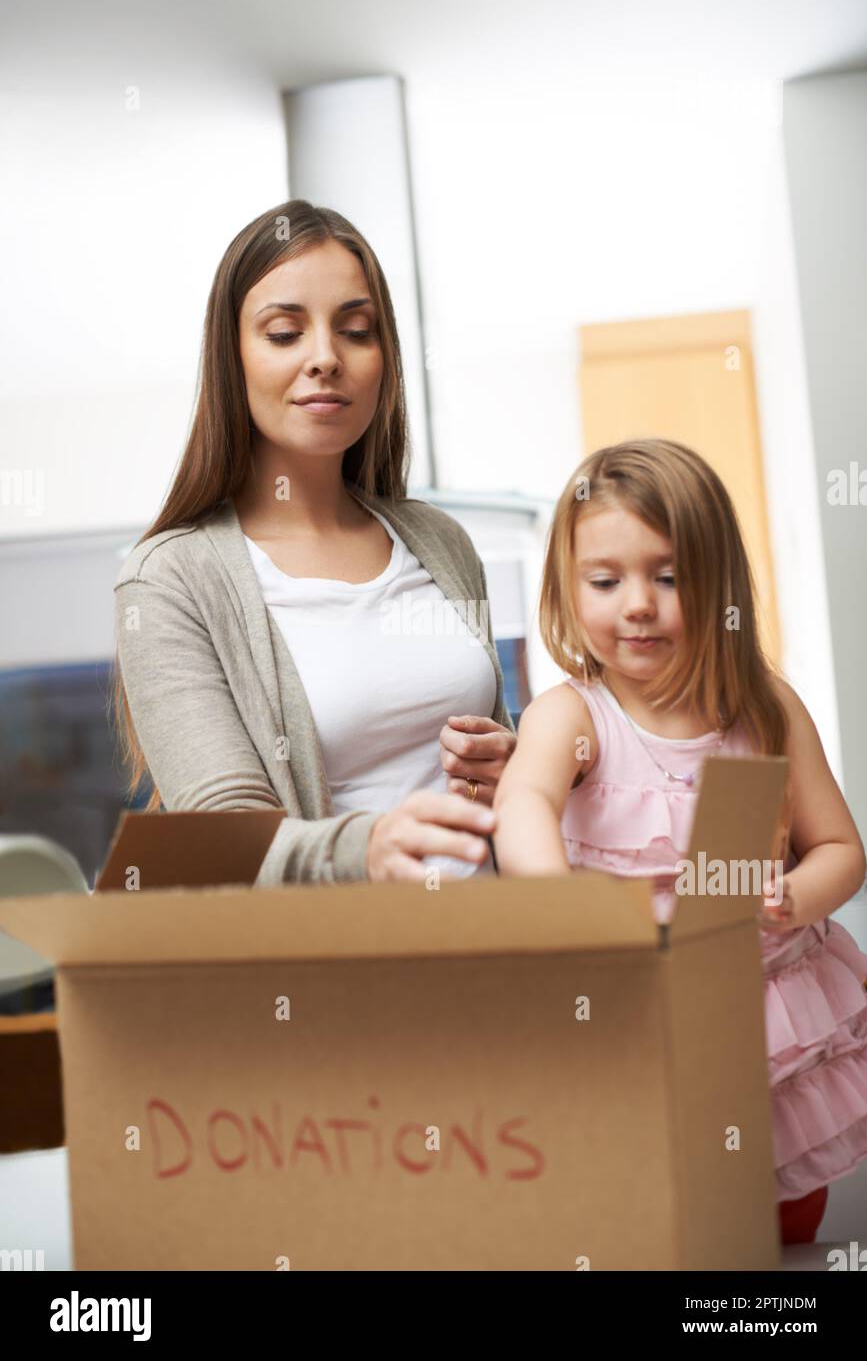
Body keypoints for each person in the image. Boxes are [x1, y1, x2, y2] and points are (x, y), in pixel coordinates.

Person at [493, 438, 867, 1246]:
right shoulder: (571, 717)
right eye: (605, 581)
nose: (637, 603)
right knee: (663, 1228)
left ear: (720, 585)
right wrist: (559, 899)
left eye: (668, 577)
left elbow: (840, 847)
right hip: (636, 1021)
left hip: (771, 1028)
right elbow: (522, 799)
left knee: (785, 1227)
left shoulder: (765, 706)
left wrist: (794, 896)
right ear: (567, 587)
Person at [112, 199, 516, 887]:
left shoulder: (439, 542)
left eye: (356, 331)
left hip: (498, 955)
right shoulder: (169, 580)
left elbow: (499, 773)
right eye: (283, 333)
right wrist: (369, 846)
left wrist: (516, 771)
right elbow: (221, 839)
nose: (325, 358)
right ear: (230, 356)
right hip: (333, 980)